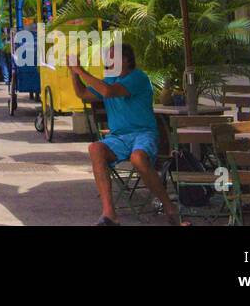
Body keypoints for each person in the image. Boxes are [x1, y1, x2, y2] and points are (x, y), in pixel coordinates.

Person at [71, 44, 184, 226]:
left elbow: (108, 92)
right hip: (118, 137)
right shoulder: (109, 80)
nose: (107, 61)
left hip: (143, 133)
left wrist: (81, 70)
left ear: (125, 60)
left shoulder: (138, 77)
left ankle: (169, 206)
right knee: (95, 148)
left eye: (112, 57)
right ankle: (109, 213)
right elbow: (82, 93)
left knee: (137, 158)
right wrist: (73, 72)